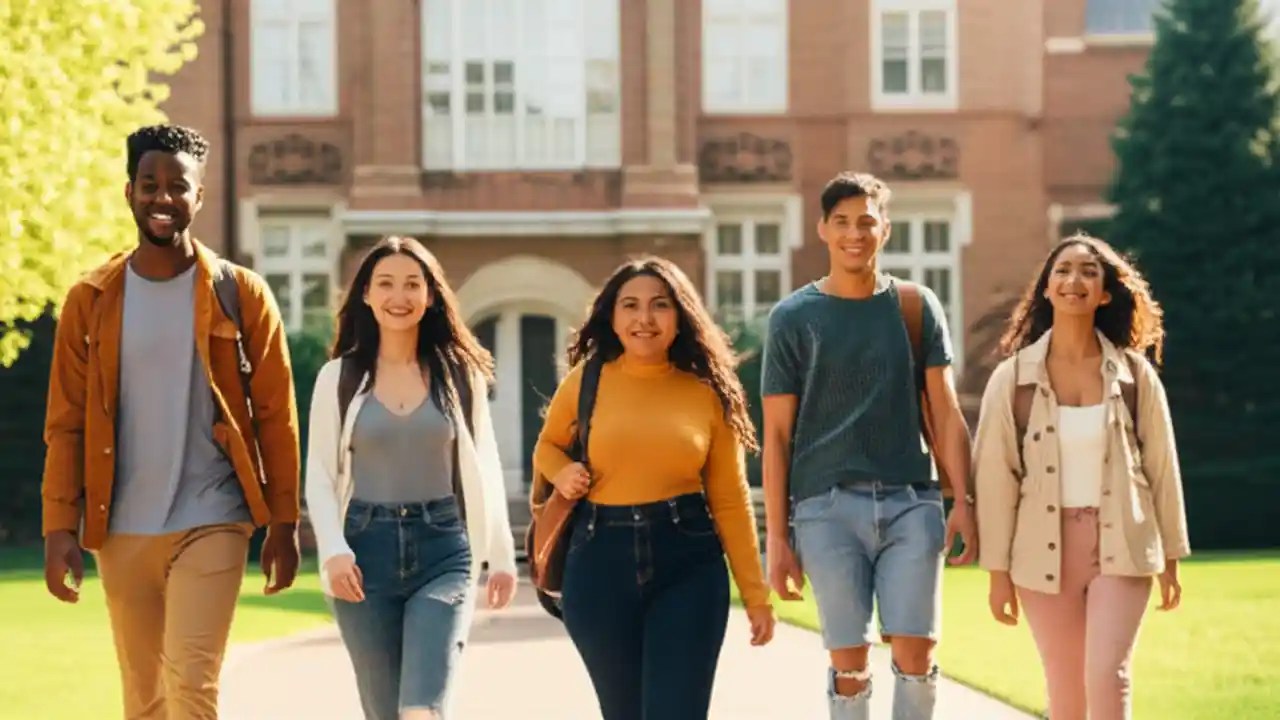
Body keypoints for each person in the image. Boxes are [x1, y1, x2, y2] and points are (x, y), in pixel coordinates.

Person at [40, 124, 302, 719]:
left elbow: (275, 418)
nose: (163, 198)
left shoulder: (242, 294)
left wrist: (285, 523)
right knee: (145, 700)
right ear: (129, 192)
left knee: (191, 682)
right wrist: (59, 527)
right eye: (150, 184)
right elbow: (67, 423)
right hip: (120, 526)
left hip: (213, 515)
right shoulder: (90, 299)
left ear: (199, 196)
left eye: (178, 186)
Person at [760, 172, 976, 720]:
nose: (854, 233)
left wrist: (964, 502)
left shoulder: (915, 306)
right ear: (822, 229)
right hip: (825, 510)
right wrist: (778, 538)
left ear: (885, 229)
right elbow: (777, 436)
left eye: (866, 222)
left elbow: (946, 411)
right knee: (849, 664)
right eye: (841, 222)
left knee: (917, 655)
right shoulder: (792, 318)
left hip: (912, 503)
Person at [533, 256, 776, 720]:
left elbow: (730, 499)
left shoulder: (706, 391)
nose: (644, 318)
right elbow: (547, 447)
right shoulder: (587, 379)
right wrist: (562, 472)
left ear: (680, 316)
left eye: (659, 305)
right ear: (612, 316)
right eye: (630, 305)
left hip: (688, 565)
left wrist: (756, 594)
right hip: (598, 564)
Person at [973, 233, 1190, 720]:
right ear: (1047, 289)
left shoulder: (1135, 376)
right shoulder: (1012, 380)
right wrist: (998, 575)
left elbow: (1162, 466)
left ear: (1105, 293)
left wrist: (1171, 557)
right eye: (1063, 271)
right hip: (1041, 552)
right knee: (1065, 687)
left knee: (1108, 676)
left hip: (1124, 542)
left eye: (1089, 272)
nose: (1075, 280)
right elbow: (994, 481)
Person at [305, 236, 518, 720]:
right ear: (366, 294)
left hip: (444, 551)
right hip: (363, 553)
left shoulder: (459, 376)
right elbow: (318, 473)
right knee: (384, 713)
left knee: (422, 709)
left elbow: (485, 465)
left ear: (430, 295)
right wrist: (334, 550)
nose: (398, 296)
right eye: (386, 284)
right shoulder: (338, 378)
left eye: (412, 284)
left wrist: (501, 556)